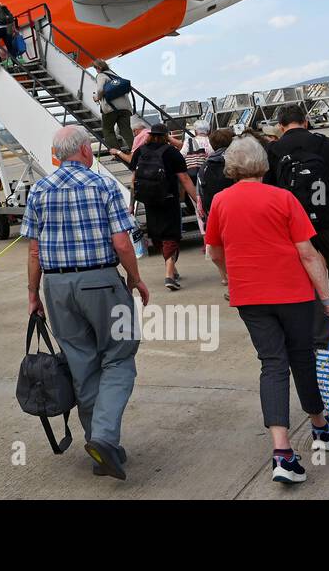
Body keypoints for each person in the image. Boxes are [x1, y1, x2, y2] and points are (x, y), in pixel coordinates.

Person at [204, 136, 329, 485]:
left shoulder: (220, 201)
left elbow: (214, 251)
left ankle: (282, 452)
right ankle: (319, 427)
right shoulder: (283, 198)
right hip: (293, 294)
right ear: (264, 163)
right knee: (302, 357)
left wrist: (227, 278)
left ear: (232, 167)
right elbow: (309, 254)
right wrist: (328, 302)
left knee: (272, 364)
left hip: (249, 297)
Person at [22, 125, 149, 480]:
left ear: (56, 156)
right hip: (101, 282)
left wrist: (33, 294)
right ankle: (105, 438)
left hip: (58, 288)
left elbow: (34, 250)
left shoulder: (40, 191)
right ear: (84, 152)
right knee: (120, 355)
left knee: (82, 364)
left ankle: (99, 446)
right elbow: (122, 242)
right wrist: (136, 279)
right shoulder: (103, 185)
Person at [266, 104, 329, 340]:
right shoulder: (327, 144)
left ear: (281, 127)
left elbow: (269, 192)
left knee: (304, 277)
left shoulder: (274, 150)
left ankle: (317, 331)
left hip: (293, 227)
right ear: (306, 122)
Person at [130, 122, 198, 292]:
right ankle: (169, 274)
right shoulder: (171, 153)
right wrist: (197, 200)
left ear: (150, 134)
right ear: (166, 136)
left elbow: (133, 180)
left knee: (158, 236)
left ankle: (173, 271)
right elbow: (185, 179)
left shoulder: (140, 151)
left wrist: (132, 204)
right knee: (171, 236)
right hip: (169, 199)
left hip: (149, 200)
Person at [92, 60, 134, 152]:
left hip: (111, 108)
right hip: (125, 108)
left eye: (95, 69)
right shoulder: (115, 75)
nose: (96, 71)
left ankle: (116, 153)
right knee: (126, 130)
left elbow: (100, 90)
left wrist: (96, 98)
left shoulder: (101, 75)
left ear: (99, 68)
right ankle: (136, 151)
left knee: (108, 130)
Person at [0, 1, 26, 65]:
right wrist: (14, 29)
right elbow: (10, 17)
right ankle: (15, 62)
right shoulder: (0, 5)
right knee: (10, 46)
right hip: (6, 28)